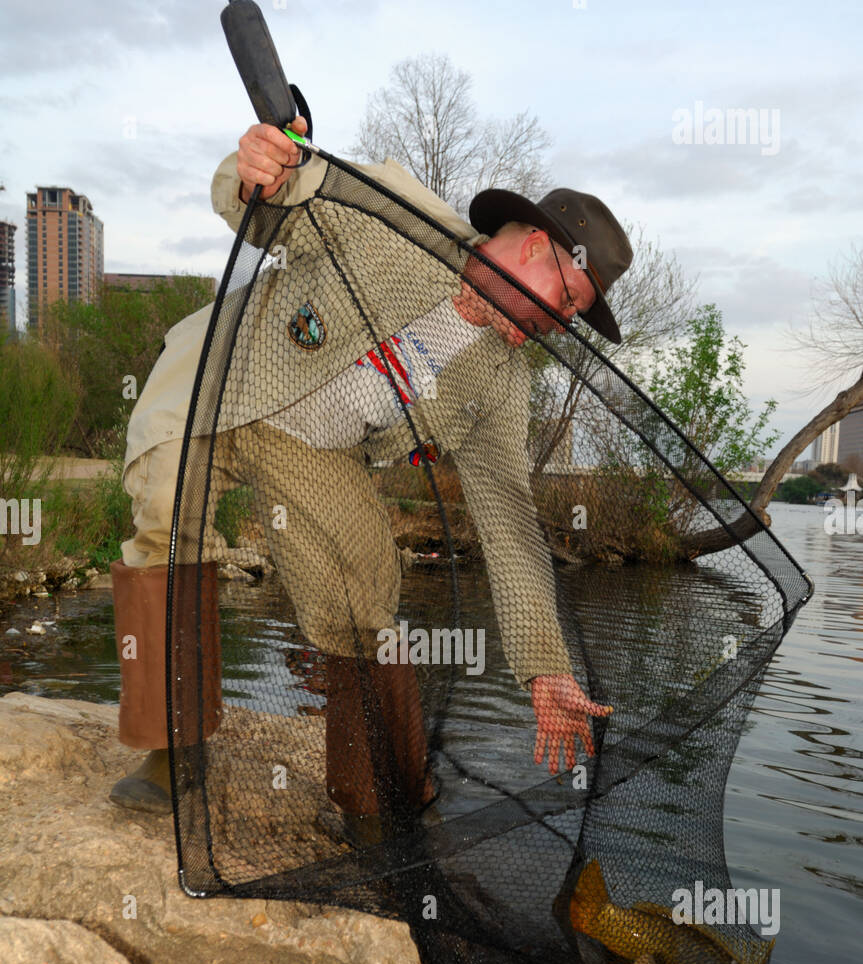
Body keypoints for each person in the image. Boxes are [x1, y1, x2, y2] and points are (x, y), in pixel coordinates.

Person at [109, 110, 632, 846]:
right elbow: (262, 206)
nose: (559, 325)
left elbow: (508, 521)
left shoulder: (501, 383)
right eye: (569, 303)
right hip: (223, 378)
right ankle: (171, 753)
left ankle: (374, 798)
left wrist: (545, 668)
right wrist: (258, 166)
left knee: (365, 592)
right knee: (166, 521)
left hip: (312, 447)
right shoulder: (395, 210)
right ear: (538, 249)